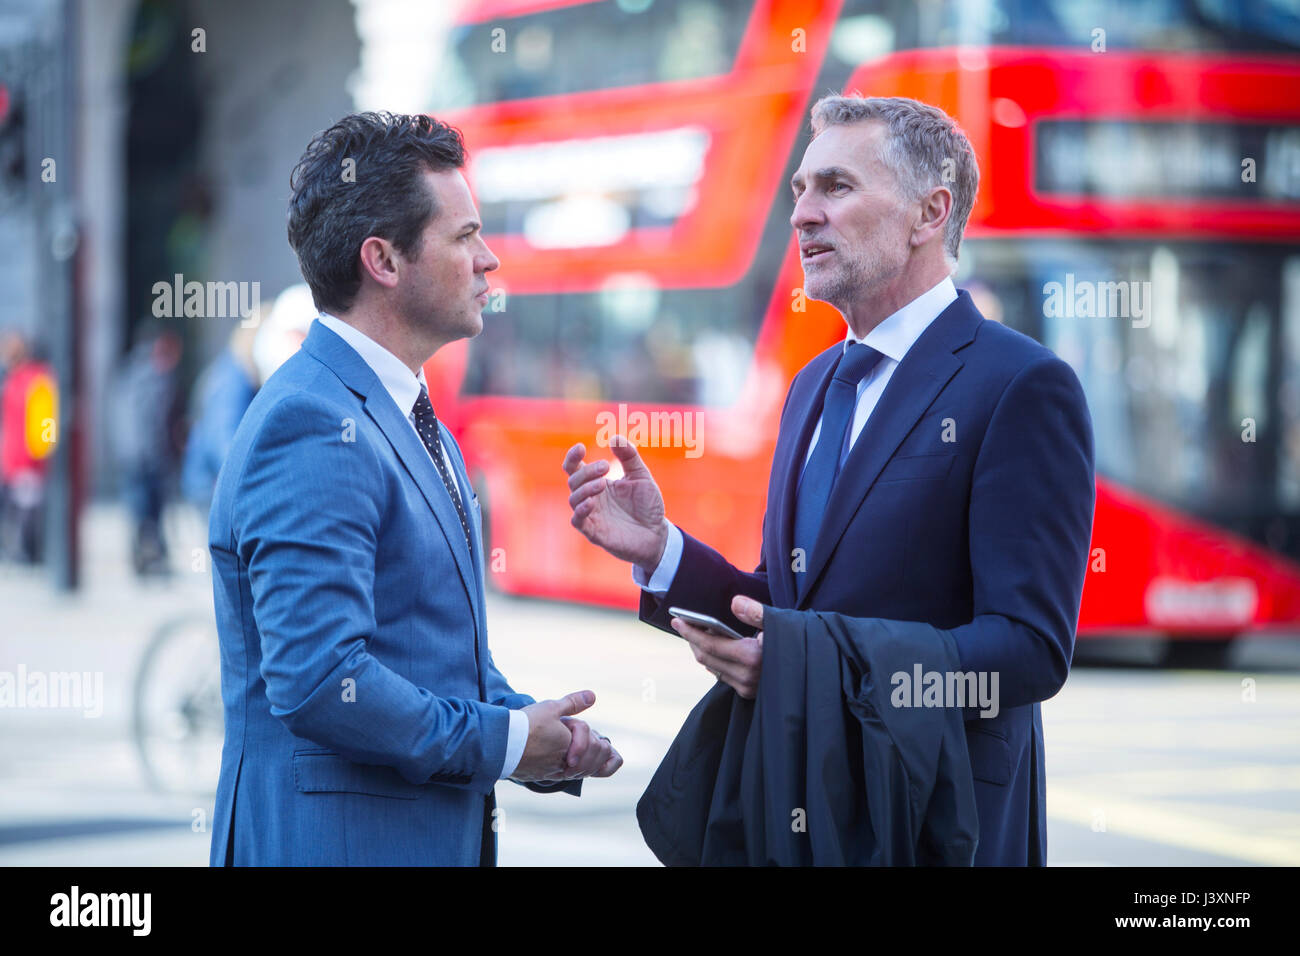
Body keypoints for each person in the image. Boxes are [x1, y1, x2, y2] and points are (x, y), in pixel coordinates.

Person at [564, 95, 1095, 866]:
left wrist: (812, 667)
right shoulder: (814, 384)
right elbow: (789, 607)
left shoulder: (1021, 385)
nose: (803, 215)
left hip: (941, 822)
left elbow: (1027, 653)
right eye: (798, 191)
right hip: (806, 805)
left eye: (835, 188)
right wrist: (664, 552)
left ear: (929, 212)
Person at [208, 112, 621, 867]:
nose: (490, 260)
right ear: (384, 261)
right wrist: (507, 744)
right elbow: (321, 681)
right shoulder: (310, 421)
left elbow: (429, 651)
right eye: (464, 238)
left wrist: (534, 729)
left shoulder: (405, 410)